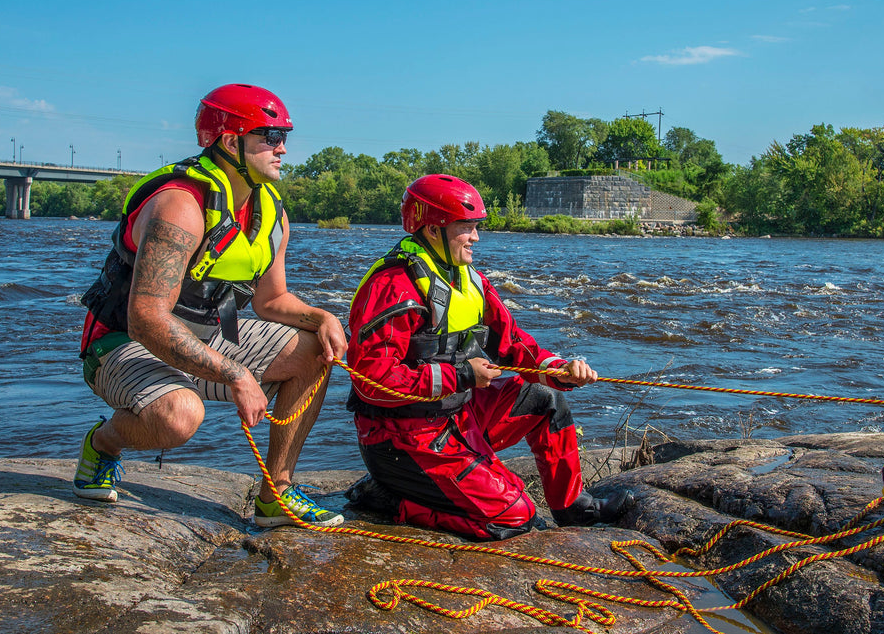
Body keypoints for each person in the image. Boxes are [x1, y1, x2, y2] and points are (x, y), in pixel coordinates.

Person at [73, 83, 346, 527]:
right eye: (270, 137)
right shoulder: (180, 206)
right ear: (231, 141)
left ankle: (276, 495)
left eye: (284, 137)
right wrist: (234, 373)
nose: (283, 149)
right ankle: (103, 444)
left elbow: (271, 300)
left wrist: (322, 316)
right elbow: (145, 319)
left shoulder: (270, 211)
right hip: (123, 343)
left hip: (206, 334)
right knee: (179, 417)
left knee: (314, 349)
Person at [344, 174, 632, 540]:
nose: (476, 237)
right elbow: (372, 382)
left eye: (476, 226)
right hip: (400, 438)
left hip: (455, 416)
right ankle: (389, 500)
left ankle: (572, 507)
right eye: (466, 227)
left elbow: (514, 346)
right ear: (433, 230)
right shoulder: (392, 286)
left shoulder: (471, 280)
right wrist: (462, 375)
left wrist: (558, 369)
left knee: (547, 399)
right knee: (515, 516)